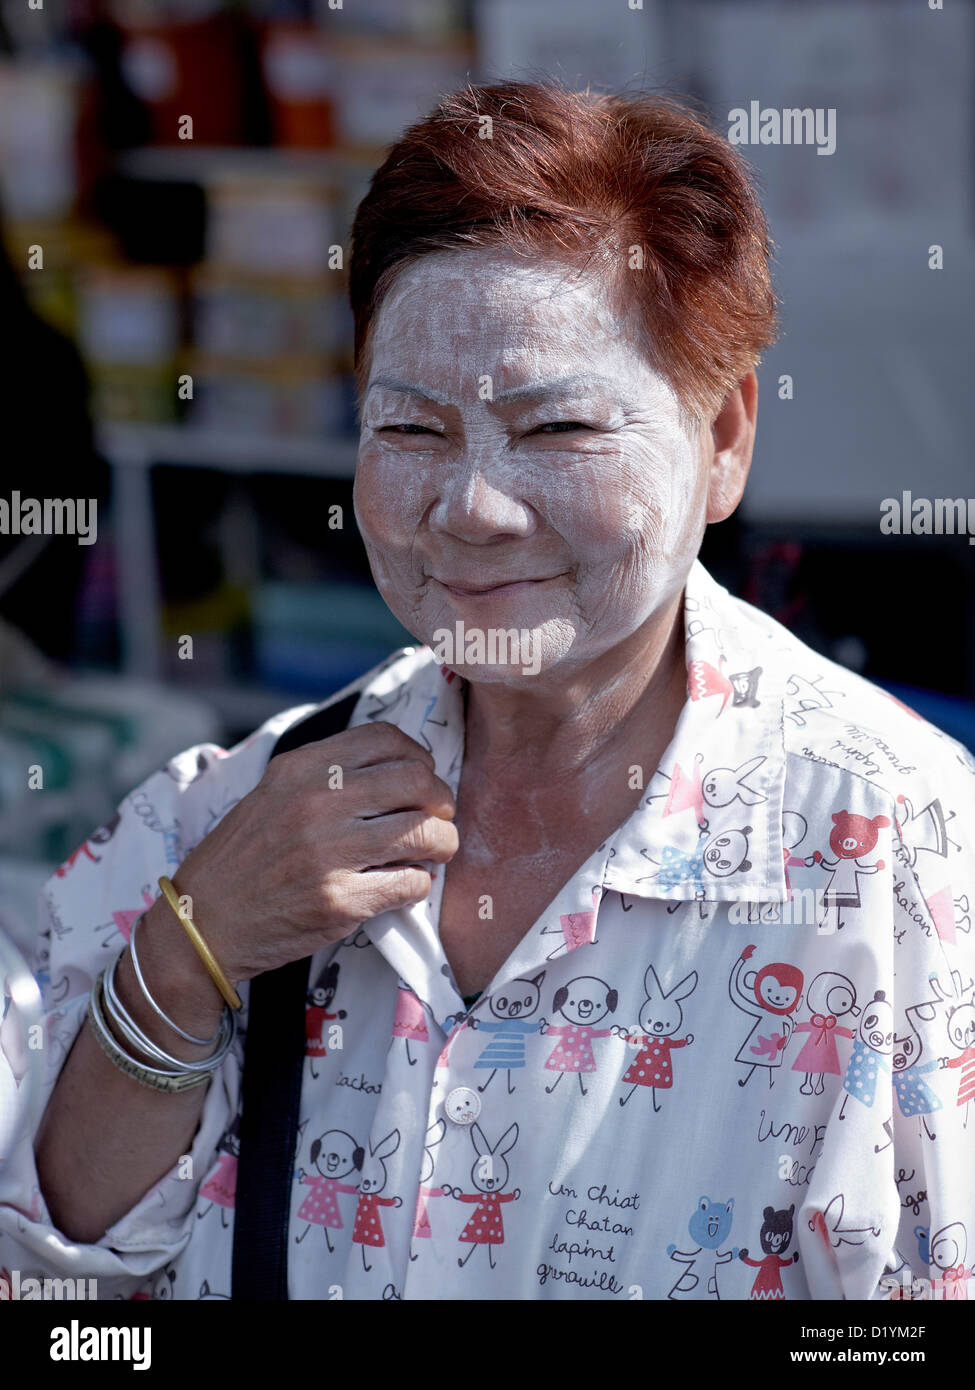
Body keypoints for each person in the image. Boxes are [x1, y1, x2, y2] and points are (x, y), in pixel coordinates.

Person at [1, 80, 972, 1302]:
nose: (469, 506)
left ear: (724, 438)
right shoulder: (235, 813)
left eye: (557, 429)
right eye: (410, 430)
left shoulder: (899, 854)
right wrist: (184, 958)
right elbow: (61, 1281)